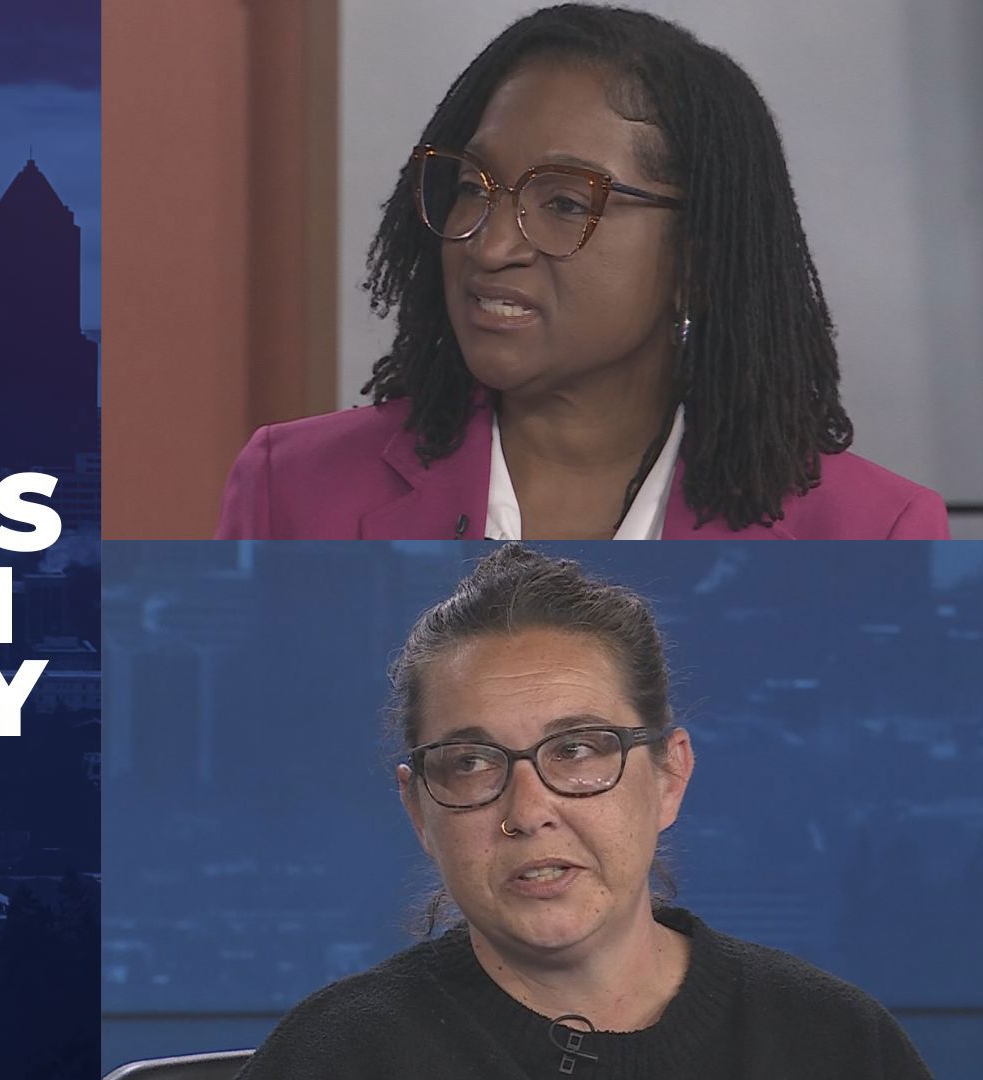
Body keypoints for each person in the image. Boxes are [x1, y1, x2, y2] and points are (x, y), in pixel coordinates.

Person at [216, 4, 948, 540]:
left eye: (564, 203)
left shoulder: (873, 531)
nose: (490, 244)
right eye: (473, 186)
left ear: (698, 256)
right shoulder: (293, 489)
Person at [236, 545, 932, 1079]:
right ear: (419, 809)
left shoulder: (833, 1042)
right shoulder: (339, 1054)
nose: (530, 810)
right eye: (472, 762)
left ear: (668, 775)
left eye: (575, 750)